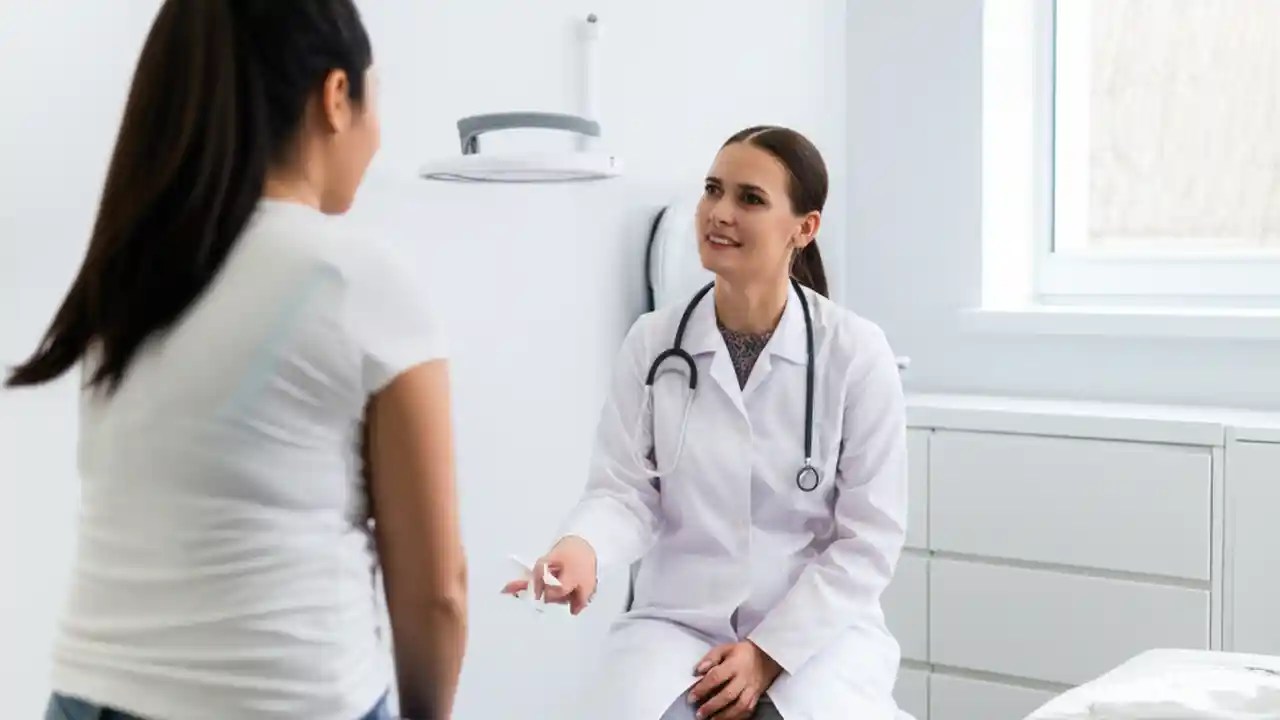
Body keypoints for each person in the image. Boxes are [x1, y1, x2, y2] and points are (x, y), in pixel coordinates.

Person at [5, 2, 467, 719]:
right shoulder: (357, 279)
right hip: (288, 700)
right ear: (336, 97)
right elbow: (437, 594)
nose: (379, 135)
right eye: (375, 98)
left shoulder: (130, 274)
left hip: (88, 697)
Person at [504, 126, 909, 720]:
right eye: (713, 190)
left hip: (814, 634)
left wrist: (768, 653)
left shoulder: (856, 353)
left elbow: (868, 541)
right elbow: (625, 493)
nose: (719, 213)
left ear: (805, 227)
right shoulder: (654, 343)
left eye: (749, 198)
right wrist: (582, 548)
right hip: (678, 626)